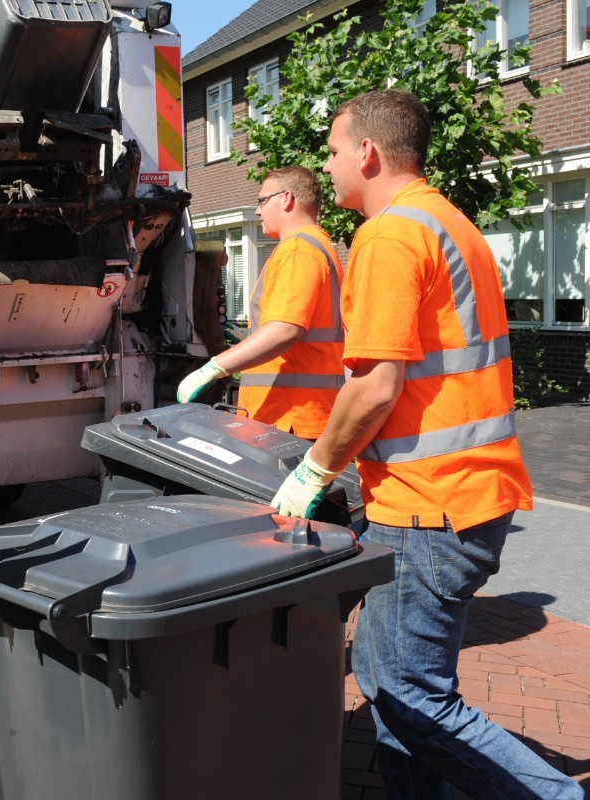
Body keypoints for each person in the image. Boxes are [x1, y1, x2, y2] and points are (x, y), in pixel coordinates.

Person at [272, 90, 583, 799]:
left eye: (330, 150)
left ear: (367, 153)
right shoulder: (451, 224)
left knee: (404, 690)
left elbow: (376, 387)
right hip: (470, 493)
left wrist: (314, 470)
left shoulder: (388, 235)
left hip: (428, 506)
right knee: (401, 695)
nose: (327, 165)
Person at [177, 166, 344, 439]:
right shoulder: (320, 247)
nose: (258, 211)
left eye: (262, 201)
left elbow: (284, 329)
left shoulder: (297, 249)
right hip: (306, 413)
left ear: (286, 198)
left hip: (288, 417)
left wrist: (214, 367)